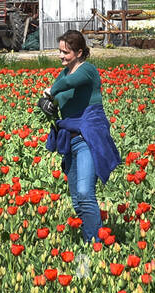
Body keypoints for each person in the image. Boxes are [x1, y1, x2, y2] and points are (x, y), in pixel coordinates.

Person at [40, 31, 121, 244]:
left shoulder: (88, 71)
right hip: (70, 140)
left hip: (88, 138)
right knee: (77, 200)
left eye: (65, 52)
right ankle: (90, 241)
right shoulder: (62, 75)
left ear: (79, 52)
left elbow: (66, 86)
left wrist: (49, 93)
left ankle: (96, 245)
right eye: (59, 51)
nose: (60, 56)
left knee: (85, 193)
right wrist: (48, 104)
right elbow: (57, 99)